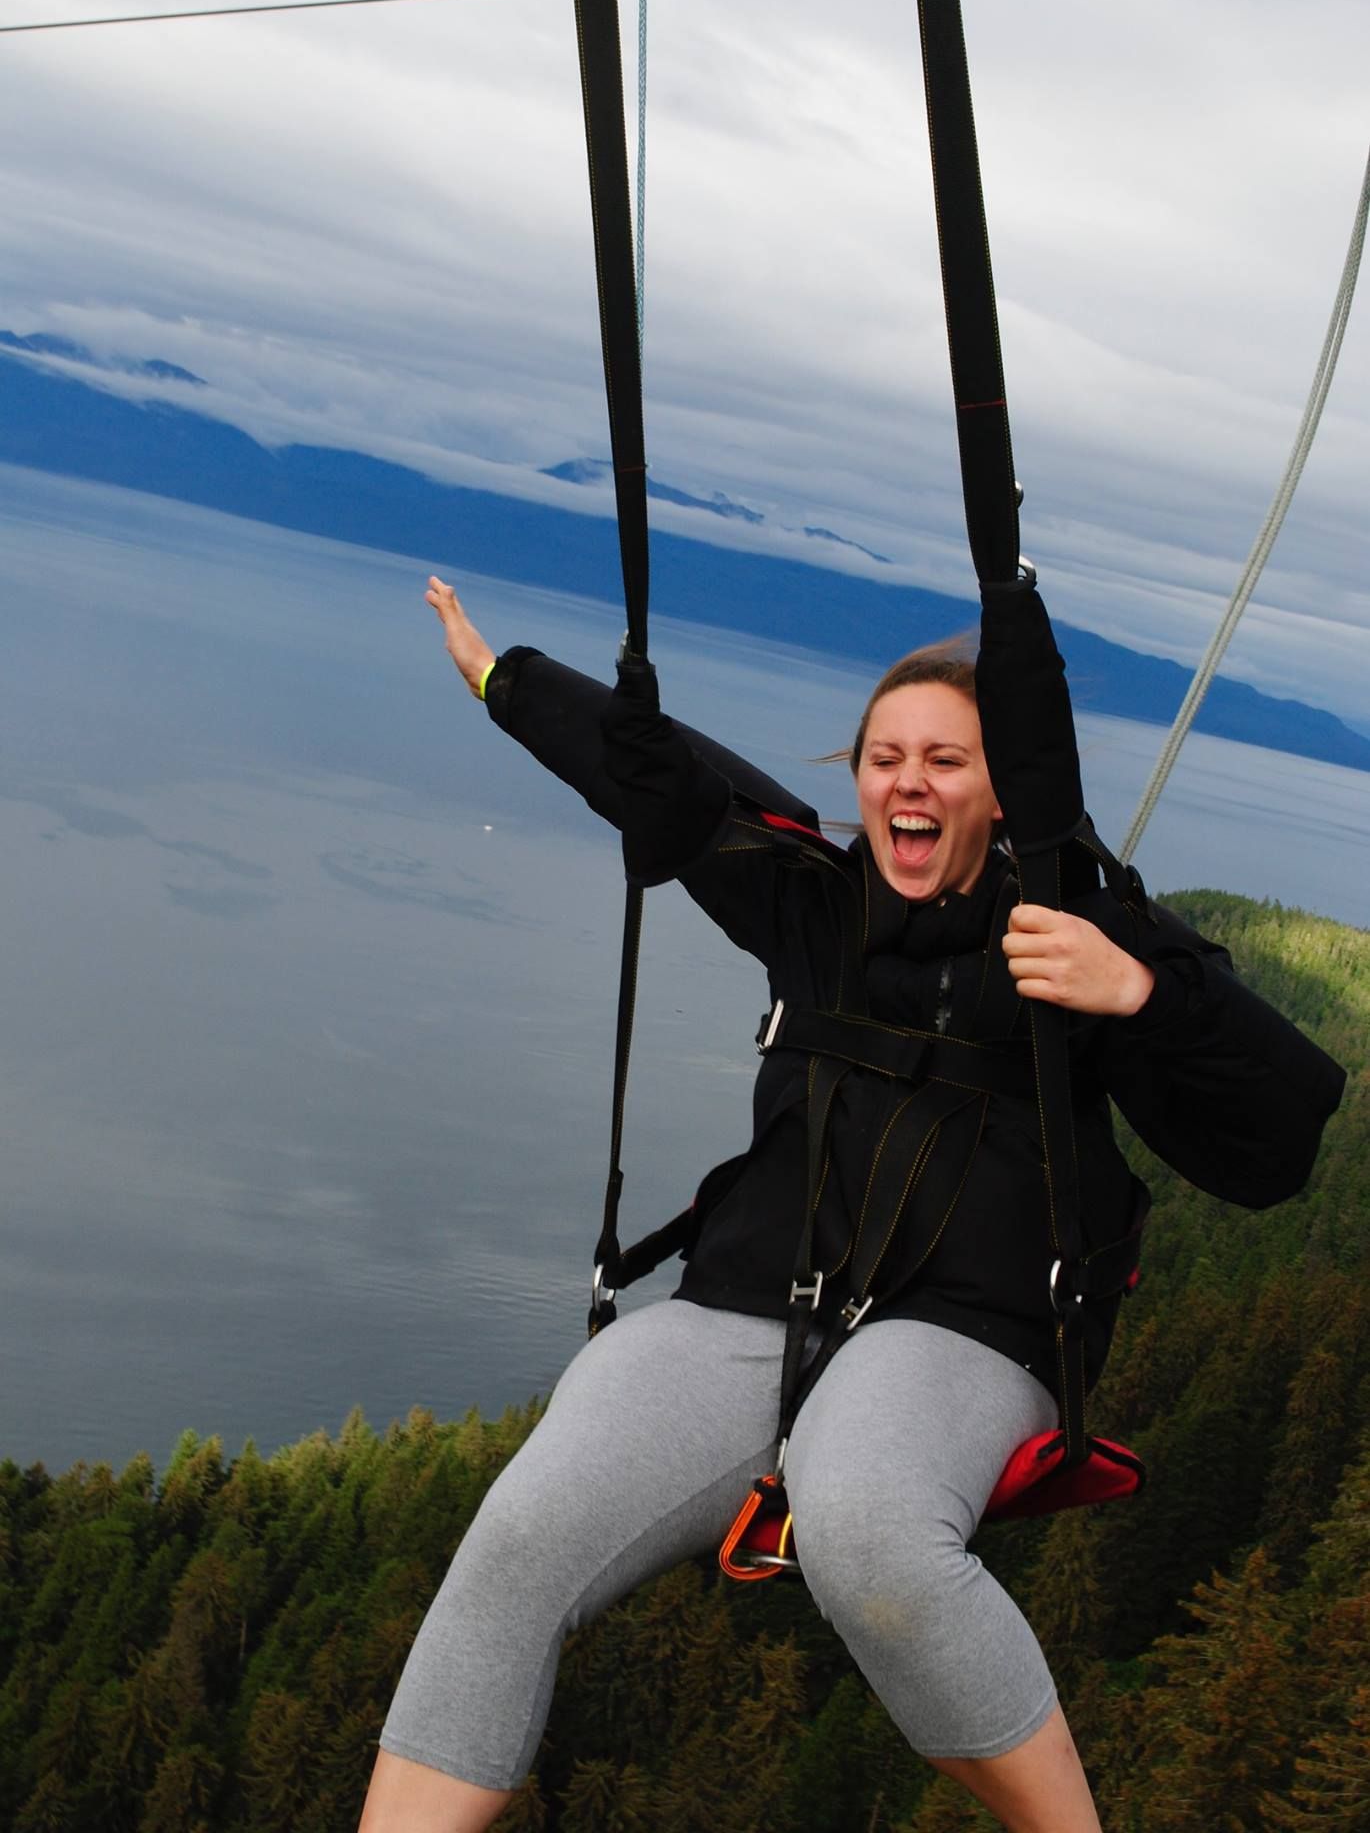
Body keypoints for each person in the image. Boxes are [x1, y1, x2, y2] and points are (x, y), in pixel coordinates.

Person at [358, 577, 1344, 1833]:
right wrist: (509, 682)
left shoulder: (1076, 936)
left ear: (1001, 791)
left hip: (971, 1328)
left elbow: (1276, 1137)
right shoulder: (810, 903)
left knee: (867, 1528)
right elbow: (666, 780)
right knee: (520, 1534)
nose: (907, 782)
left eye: (944, 759)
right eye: (885, 758)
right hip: (752, 1303)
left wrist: (1139, 993)